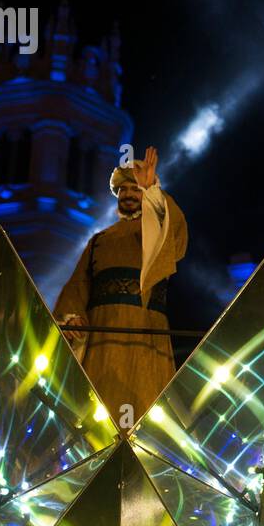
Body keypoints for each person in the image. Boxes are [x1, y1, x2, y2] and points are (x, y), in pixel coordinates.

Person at [54, 146, 186, 421]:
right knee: (98, 408)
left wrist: (152, 189)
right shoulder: (99, 240)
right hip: (103, 334)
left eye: (135, 190)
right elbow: (78, 285)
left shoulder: (157, 233)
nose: (128, 195)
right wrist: (71, 316)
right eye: (123, 190)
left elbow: (174, 233)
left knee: (150, 407)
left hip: (147, 328)